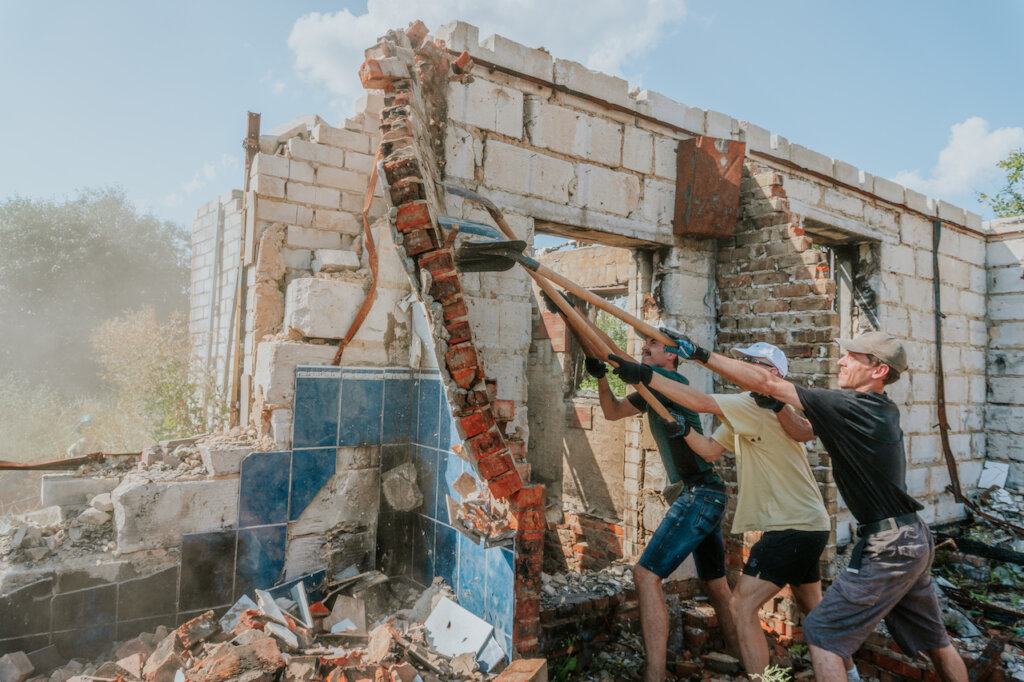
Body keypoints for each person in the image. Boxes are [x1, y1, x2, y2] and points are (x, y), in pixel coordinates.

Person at [614, 330, 968, 682]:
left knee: (815, 630)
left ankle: (765, 679)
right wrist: (770, 408)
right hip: (908, 537)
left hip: (873, 541)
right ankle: (852, 675)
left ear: (879, 371)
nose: (841, 361)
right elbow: (797, 431)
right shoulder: (874, 408)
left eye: (852, 357)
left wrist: (669, 366)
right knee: (934, 640)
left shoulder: (846, 404)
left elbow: (710, 399)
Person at [610, 341, 833, 679]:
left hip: (792, 525)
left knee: (742, 604)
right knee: (813, 612)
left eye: (752, 363)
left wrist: (643, 374)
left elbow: (699, 401)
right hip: (810, 522)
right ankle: (849, 673)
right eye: (742, 361)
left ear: (773, 374)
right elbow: (710, 450)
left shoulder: (752, 404)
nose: (741, 367)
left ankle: (762, 678)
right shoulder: (751, 409)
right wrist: (684, 430)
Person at [588, 336, 739, 682]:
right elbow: (612, 412)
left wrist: (603, 349)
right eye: (644, 341)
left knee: (645, 575)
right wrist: (600, 377)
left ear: (671, 355)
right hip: (706, 494)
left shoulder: (673, 382)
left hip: (700, 494)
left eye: (653, 342)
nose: (645, 345)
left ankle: (654, 675)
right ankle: (741, 657)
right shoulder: (651, 391)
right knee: (715, 583)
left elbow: (624, 361)